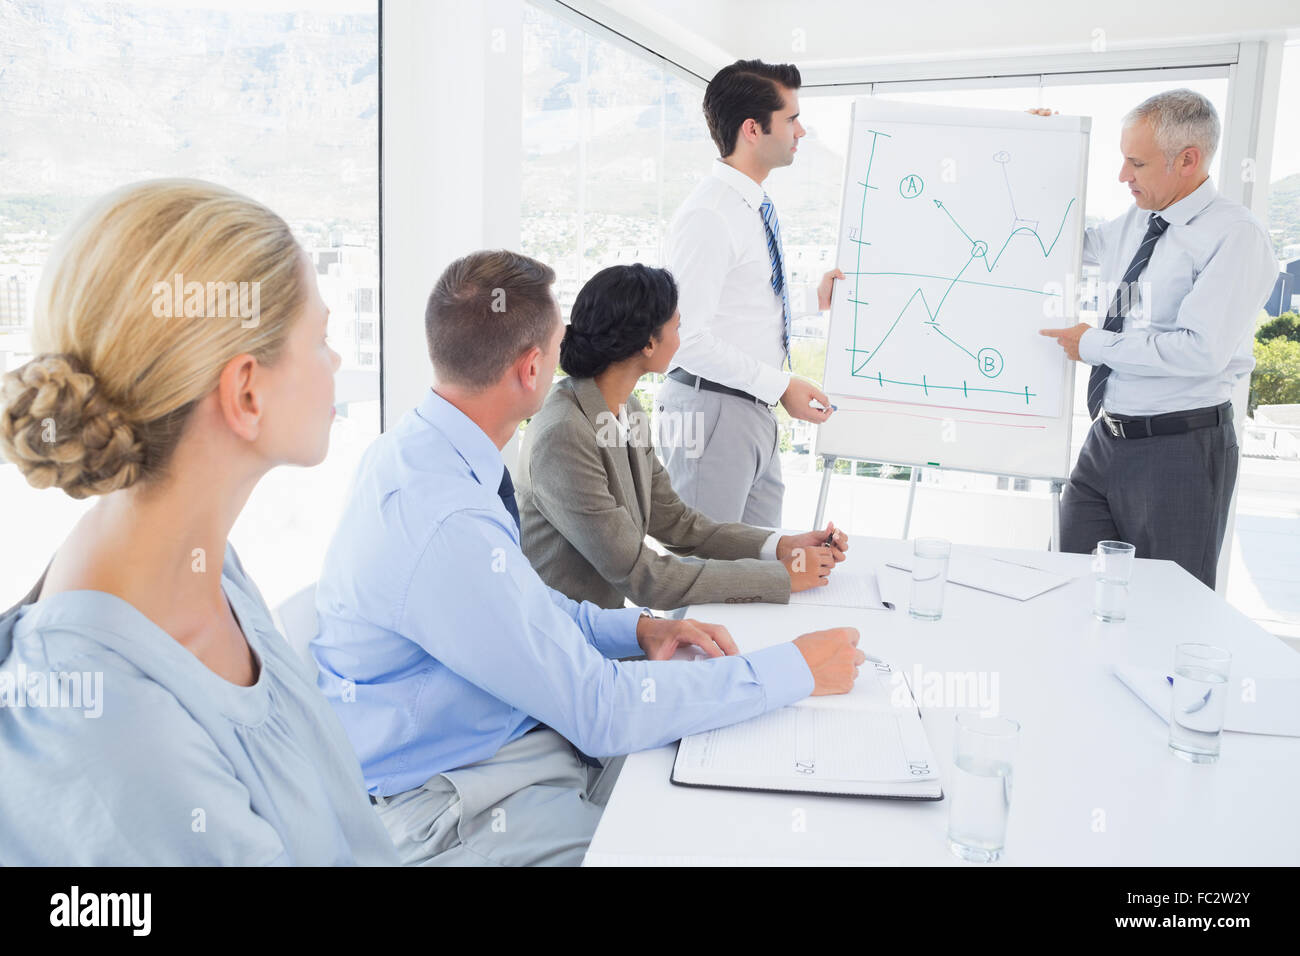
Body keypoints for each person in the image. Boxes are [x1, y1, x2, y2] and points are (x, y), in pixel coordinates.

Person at [311, 249, 863, 867]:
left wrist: (638, 627)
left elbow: (528, 598)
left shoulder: (426, 455)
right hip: (453, 791)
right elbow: (599, 706)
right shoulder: (453, 512)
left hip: (511, 733)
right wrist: (793, 669)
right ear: (530, 369)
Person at [0, 179, 399, 865]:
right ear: (246, 390)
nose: (336, 362)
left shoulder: (204, 566)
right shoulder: (107, 732)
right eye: (322, 338)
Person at [1038, 90, 1277, 589]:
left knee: (1170, 607)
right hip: (1106, 439)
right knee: (1071, 585)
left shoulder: (1236, 236)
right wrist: (1040, 150)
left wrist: (1095, 345)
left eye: (1137, 163)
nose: (1123, 176)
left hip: (1181, 449)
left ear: (1187, 160)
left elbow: (1200, 350)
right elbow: (1057, 242)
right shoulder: (1135, 221)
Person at [518, 262, 848, 611]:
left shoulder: (623, 405)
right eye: (677, 326)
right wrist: (782, 576)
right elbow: (644, 577)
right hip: (565, 642)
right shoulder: (564, 435)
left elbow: (678, 524)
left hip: (606, 629)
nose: (681, 336)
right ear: (648, 343)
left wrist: (782, 546)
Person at [658, 58, 845, 526]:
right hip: (713, 409)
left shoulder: (751, 205)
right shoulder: (711, 214)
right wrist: (783, 384)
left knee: (754, 577)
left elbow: (743, 304)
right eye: (791, 118)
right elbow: (687, 337)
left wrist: (812, 300)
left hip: (748, 411)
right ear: (752, 129)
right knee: (704, 580)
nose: (801, 131)